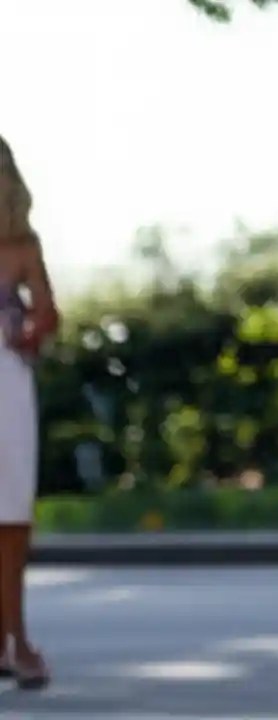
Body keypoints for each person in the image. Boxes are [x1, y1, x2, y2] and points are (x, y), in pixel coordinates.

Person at [0, 133, 58, 690]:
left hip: (6, 382)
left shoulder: (22, 245)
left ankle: (16, 638)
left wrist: (28, 328)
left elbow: (49, 314)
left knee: (11, 513)